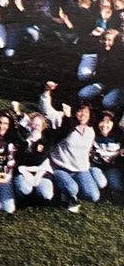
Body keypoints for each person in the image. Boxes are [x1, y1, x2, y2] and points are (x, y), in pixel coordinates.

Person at [38, 81, 99, 212]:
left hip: (80, 169)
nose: (82, 115)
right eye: (79, 112)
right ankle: (63, 188)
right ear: (74, 112)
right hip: (60, 166)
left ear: (90, 114)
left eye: (85, 112)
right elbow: (46, 109)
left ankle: (71, 187)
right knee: (72, 189)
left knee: (93, 196)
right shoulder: (64, 120)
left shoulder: (91, 130)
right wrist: (47, 91)